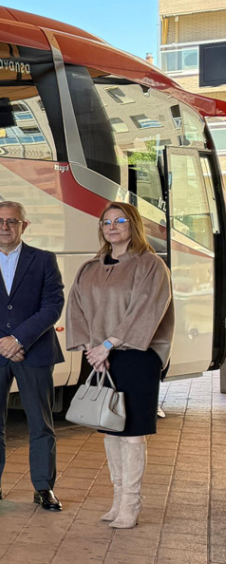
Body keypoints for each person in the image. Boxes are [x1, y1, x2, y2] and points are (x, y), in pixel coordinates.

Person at [65, 201, 173, 529]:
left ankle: (132, 503)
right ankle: (117, 497)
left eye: (120, 221)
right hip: (99, 358)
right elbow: (76, 308)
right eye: (106, 222)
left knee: (132, 433)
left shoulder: (150, 265)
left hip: (136, 356)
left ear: (133, 225)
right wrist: (90, 348)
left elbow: (145, 310)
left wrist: (108, 344)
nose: (112, 227)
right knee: (110, 430)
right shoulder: (90, 268)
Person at [0, 200, 65, 509]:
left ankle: (44, 487)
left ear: (24, 226)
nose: (5, 227)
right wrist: (0, 342)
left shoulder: (44, 259)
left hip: (34, 353)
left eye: (12, 221)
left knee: (40, 423)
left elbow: (53, 305)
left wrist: (19, 339)